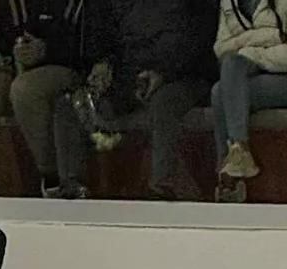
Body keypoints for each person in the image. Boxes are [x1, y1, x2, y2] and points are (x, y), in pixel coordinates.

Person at [54, 0, 217, 201]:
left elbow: (204, 38)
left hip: (185, 75)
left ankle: (163, 186)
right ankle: (72, 188)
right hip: (130, 76)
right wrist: (104, 64)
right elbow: (101, 40)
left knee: (163, 102)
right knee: (70, 104)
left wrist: (164, 73)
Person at [0, 0, 90, 198]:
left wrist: (46, 50)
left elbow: (90, 45)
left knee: (25, 88)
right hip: (15, 68)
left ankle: (52, 177)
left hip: (66, 67)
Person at [211, 0, 287, 204]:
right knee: (224, 81)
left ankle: (230, 177)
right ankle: (236, 159)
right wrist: (268, 37)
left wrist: (249, 53)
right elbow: (220, 49)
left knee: (224, 90)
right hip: (250, 75)